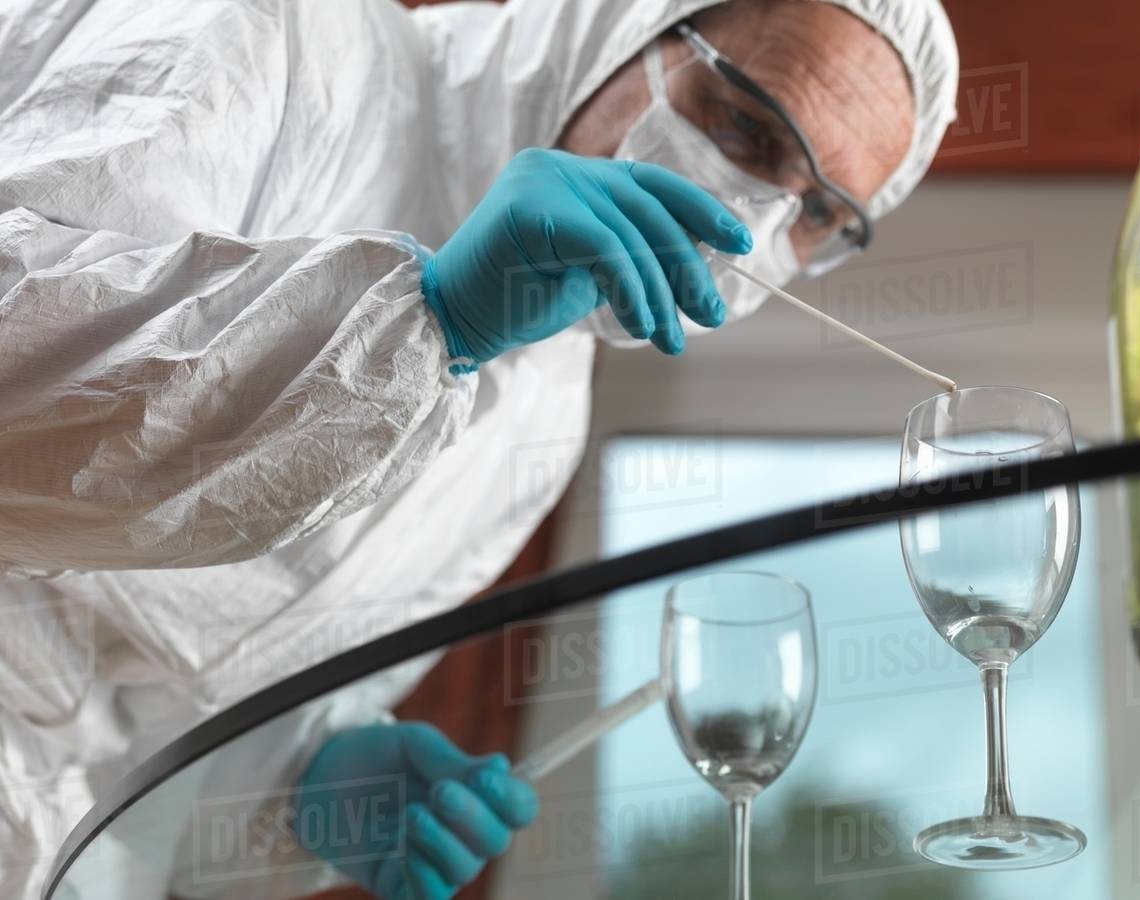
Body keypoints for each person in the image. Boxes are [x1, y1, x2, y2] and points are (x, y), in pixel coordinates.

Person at [0, 0, 957, 897]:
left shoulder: (543, 427)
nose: (752, 226)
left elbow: (136, 733)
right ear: (629, 23)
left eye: (819, 215)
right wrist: (425, 320)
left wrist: (292, 780)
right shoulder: (271, 43)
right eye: (746, 126)